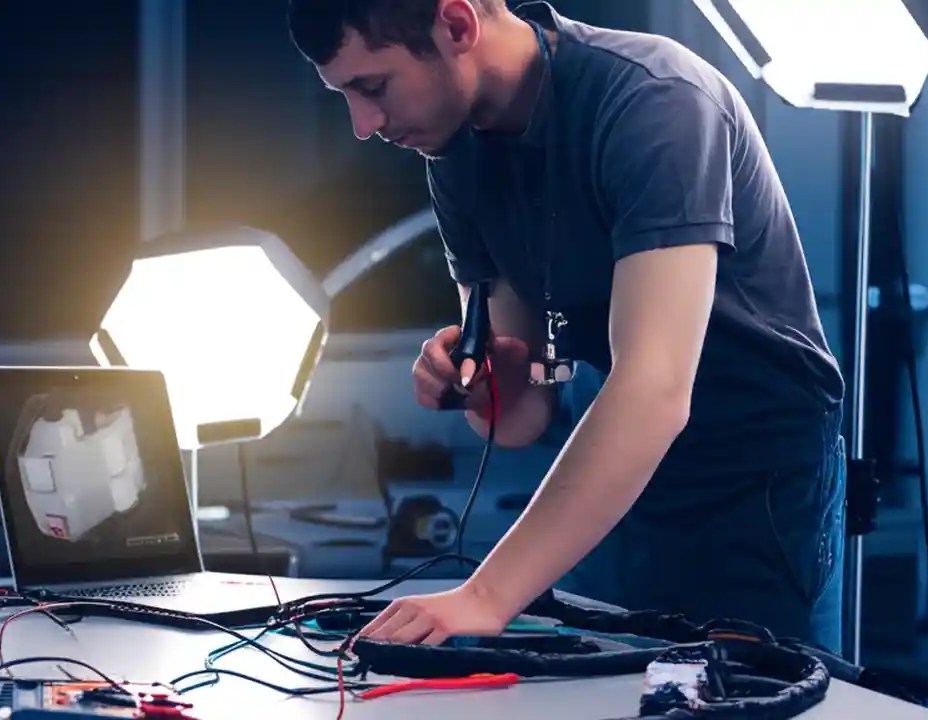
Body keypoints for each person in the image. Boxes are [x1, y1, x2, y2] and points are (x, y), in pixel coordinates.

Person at [287, 0, 847, 652]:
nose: (363, 124)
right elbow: (522, 415)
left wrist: (487, 595)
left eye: (372, 87)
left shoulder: (657, 102)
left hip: (756, 484)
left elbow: (656, 390)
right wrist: (477, 379)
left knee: (743, 695)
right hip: (618, 473)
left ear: (458, 24)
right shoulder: (456, 155)